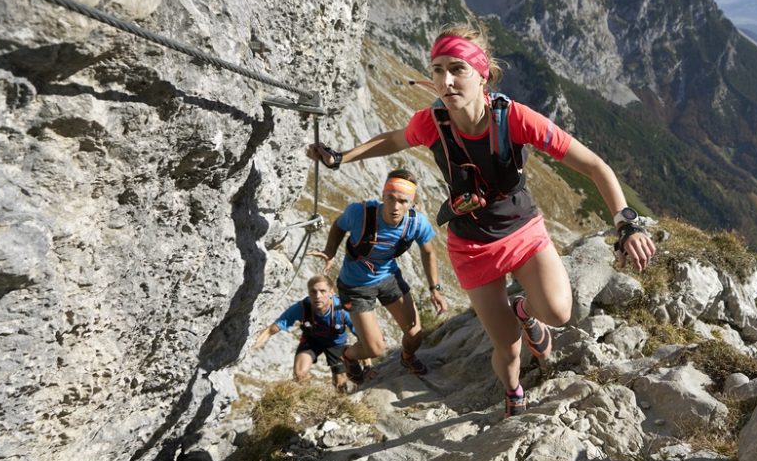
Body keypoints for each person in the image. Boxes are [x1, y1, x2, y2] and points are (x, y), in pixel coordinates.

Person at [307, 22, 656, 417]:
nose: (446, 80)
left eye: (457, 69)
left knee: (559, 313)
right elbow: (394, 139)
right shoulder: (432, 123)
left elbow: (594, 166)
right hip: (471, 247)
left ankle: (525, 310)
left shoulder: (516, 119)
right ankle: (513, 392)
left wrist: (626, 223)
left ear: (482, 73)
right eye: (438, 69)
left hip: (523, 231)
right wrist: (342, 156)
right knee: (506, 346)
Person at [310, 169, 448, 384]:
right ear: (382, 195)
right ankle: (347, 355)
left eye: (402, 201)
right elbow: (338, 225)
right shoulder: (360, 213)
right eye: (390, 198)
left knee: (415, 334)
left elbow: (429, 252)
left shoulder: (416, 223)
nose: (395, 207)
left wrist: (434, 289)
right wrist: (330, 251)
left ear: (411, 203)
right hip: (354, 287)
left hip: (388, 278)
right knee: (374, 348)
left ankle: (407, 357)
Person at [249, 275, 358, 390]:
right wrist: (250, 346)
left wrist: (367, 363)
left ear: (331, 292)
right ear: (309, 293)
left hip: (335, 343)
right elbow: (272, 329)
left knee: (339, 380)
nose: (318, 296)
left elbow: (361, 335)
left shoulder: (342, 309)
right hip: (312, 340)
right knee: (299, 374)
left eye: (322, 291)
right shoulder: (302, 307)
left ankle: (340, 402)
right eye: (313, 291)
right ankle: (308, 399)